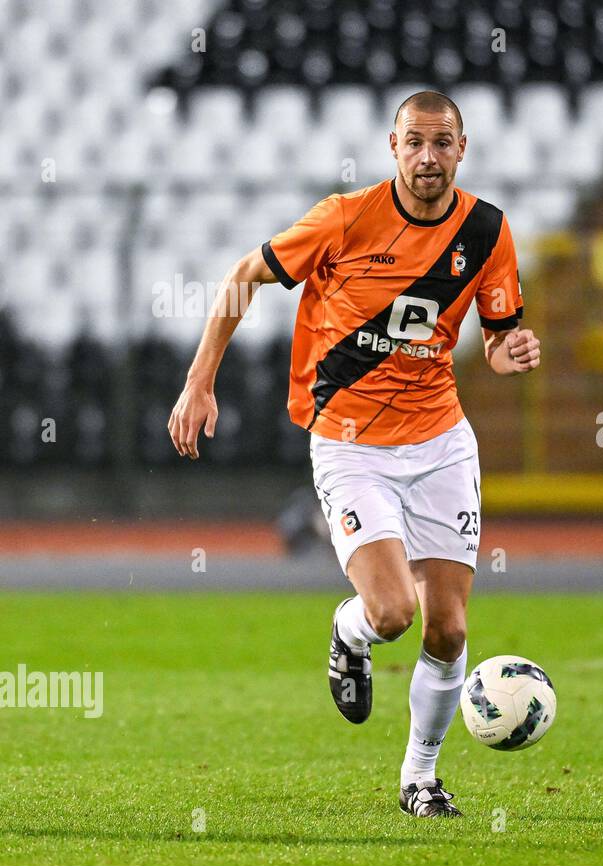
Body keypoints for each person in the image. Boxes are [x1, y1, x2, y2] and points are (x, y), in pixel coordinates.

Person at [168, 91, 541, 819]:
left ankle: (420, 780)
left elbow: (496, 337)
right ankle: (350, 630)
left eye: (442, 143)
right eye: (414, 142)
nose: (427, 157)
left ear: (462, 149)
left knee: (451, 627)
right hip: (350, 444)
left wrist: (509, 351)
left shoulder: (489, 231)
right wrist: (198, 380)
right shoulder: (344, 219)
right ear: (392, 147)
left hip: (440, 443)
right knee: (394, 611)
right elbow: (244, 275)